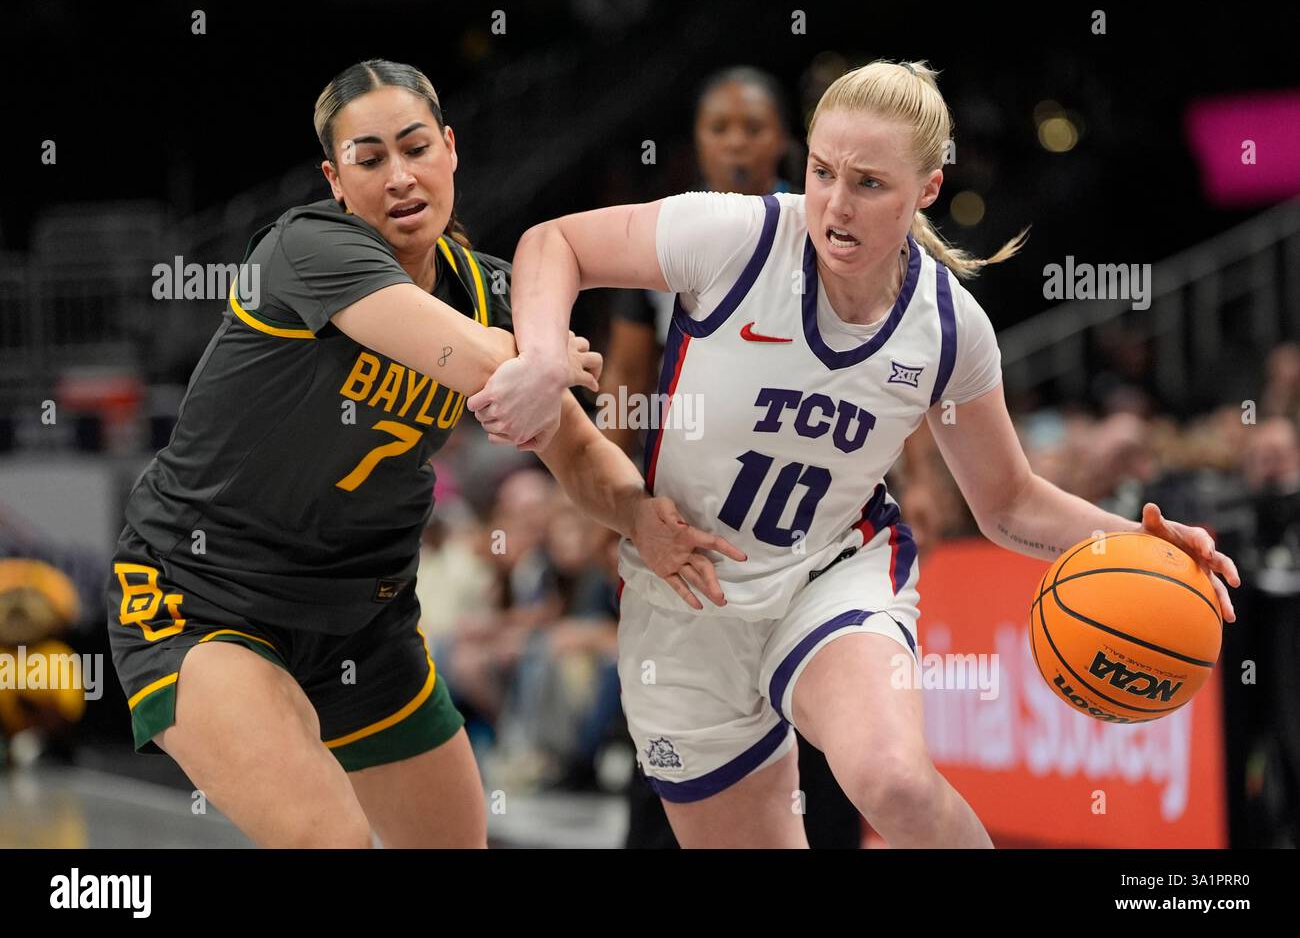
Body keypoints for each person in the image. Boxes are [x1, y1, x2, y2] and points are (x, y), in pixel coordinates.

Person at [468, 59, 1242, 847]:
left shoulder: (950, 328)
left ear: (928, 189)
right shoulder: (736, 235)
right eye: (822, 172)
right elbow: (552, 242)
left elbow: (1007, 504)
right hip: (686, 594)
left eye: (869, 183)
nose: (835, 205)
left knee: (894, 782)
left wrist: (1136, 542)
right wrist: (538, 358)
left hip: (829, 572)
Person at [106, 59, 740, 848]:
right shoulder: (305, 248)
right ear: (336, 181)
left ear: (449, 150)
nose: (399, 176)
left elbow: (578, 455)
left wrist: (640, 515)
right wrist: (539, 357)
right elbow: (472, 361)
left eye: (415, 149)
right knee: (326, 839)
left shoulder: (495, 292)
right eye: (370, 160)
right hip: (204, 598)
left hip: (363, 622)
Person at [600, 65, 861, 847]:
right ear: (700, 144)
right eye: (721, 128)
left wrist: (915, 476)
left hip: (811, 515)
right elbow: (626, 376)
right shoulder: (669, 239)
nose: (739, 143)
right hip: (690, 519)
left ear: (784, 139)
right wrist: (599, 489)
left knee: (819, 725)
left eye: (754, 127)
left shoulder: (834, 235)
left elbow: (883, 368)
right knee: (679, 723)